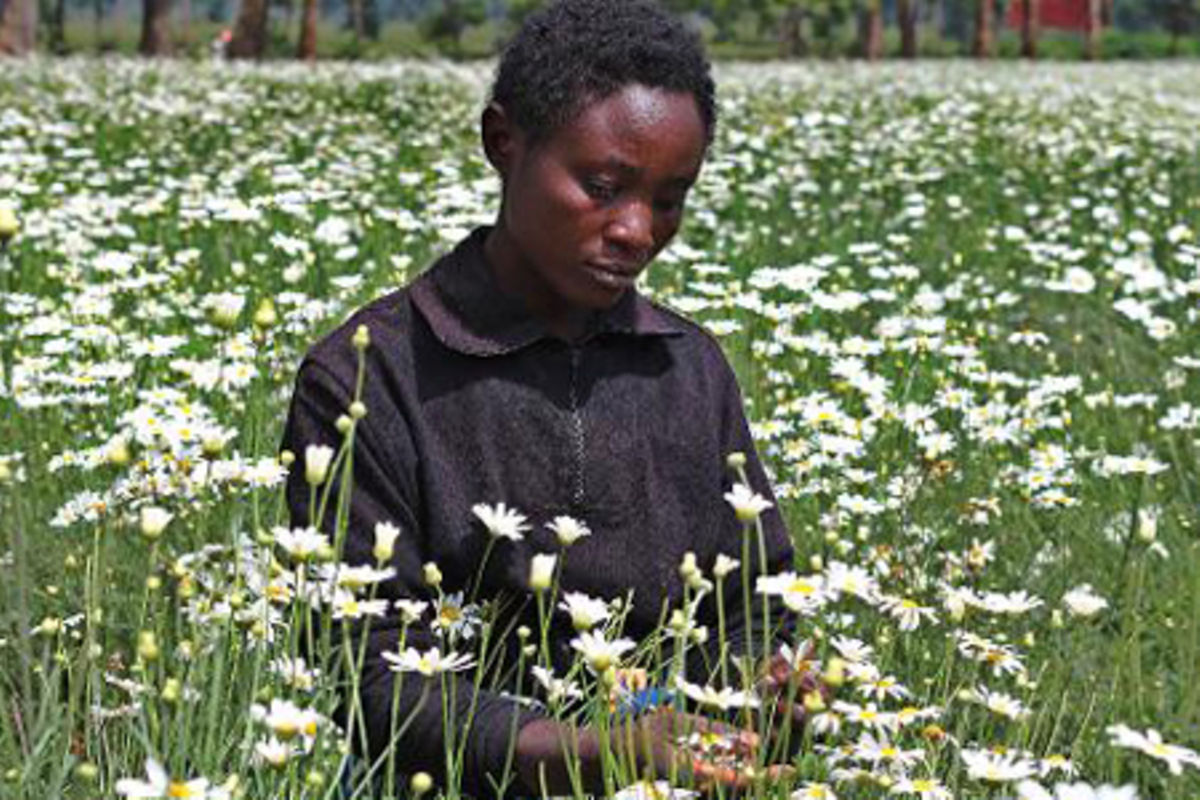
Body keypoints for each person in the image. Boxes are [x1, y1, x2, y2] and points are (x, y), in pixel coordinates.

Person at [281, 1, 812, 796]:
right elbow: (369, 677)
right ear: (504, 143)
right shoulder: (370, 378)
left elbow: (752, 602)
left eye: (670, 199)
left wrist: (769, 685)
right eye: (603, 186)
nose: (638, 230)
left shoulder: (688, 369)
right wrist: (598, 752)